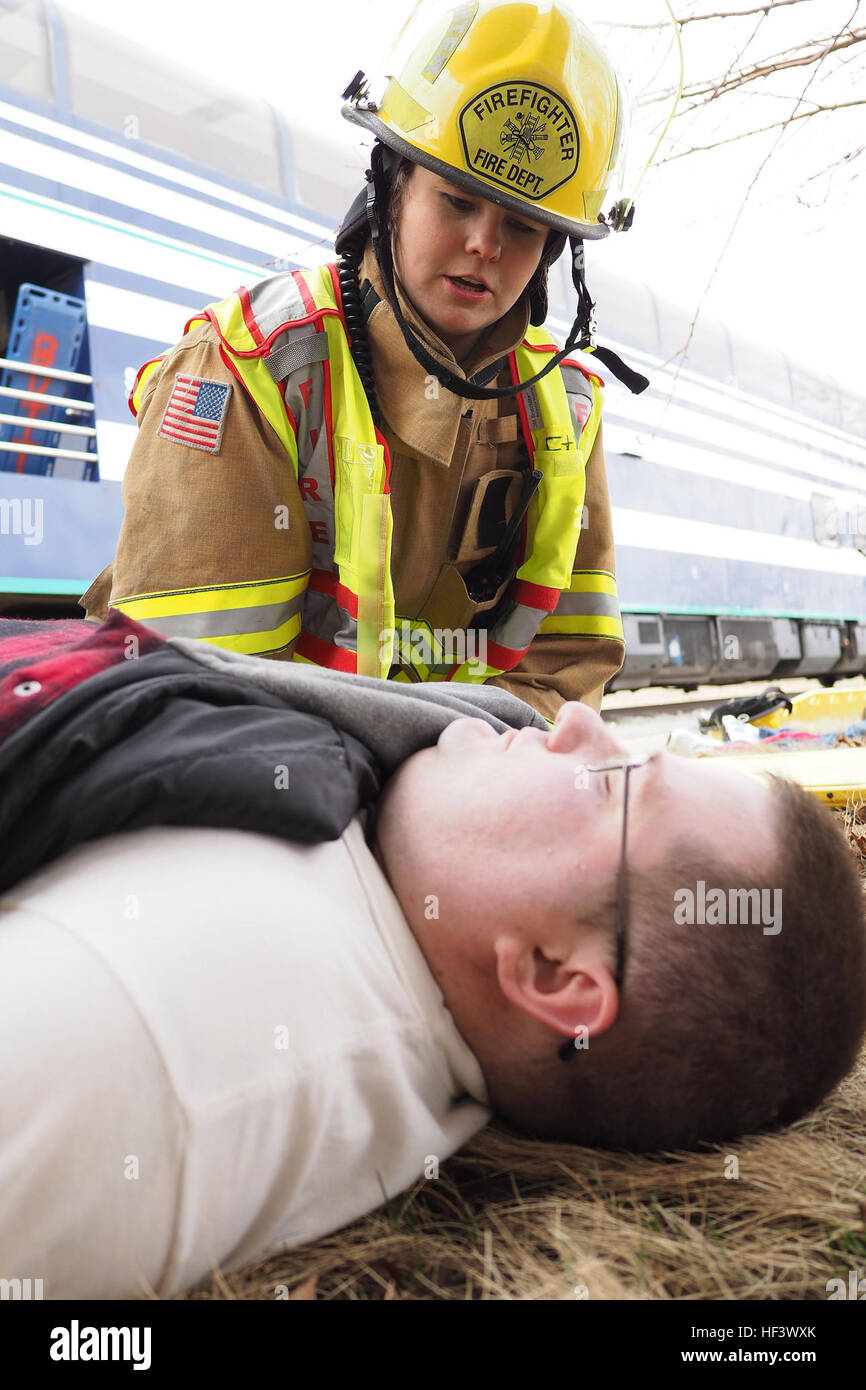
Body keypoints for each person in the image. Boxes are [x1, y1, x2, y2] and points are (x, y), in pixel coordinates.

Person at [0, 609, 863, 1298]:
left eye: (619, 783)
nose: (573, 723)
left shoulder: (156, 1034)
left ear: (555, 976)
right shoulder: (394, 889)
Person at [79, 0, 650, 724]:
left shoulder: (565, 409)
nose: (485, 245)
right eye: (458, 202)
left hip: (468, 794)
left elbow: (564, 676)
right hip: (268, 797)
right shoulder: (250, 366)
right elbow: (197, 692)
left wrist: (457, 779)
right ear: (392, 187)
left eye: (522, 226)